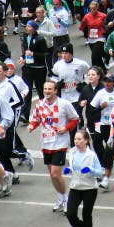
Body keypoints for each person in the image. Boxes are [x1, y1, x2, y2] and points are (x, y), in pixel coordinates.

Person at [27, 79, 80, 212]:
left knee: (56, 174)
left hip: (60, 142)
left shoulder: (64, 104)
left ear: (56, 90)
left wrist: (66, 128)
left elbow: (75, 119)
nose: (47, 91)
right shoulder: (40, 104)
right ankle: (60, 198)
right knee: (52, 174)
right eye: (45, 89)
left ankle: (67, 200)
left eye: (50, 89)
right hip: (46, 142)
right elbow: (36, 118)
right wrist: (31, 126)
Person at [65, 129, 104, 227]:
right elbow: (73, 167)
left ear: (86, 141)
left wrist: (91, 170)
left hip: (89, 188)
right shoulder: (72, 153)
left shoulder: (91, 155)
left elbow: (100, 173)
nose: (76, 142)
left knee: (86, 215)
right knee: (70, 213)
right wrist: (68, 169)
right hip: (75, 187)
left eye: (79, 139)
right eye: (75, 139)